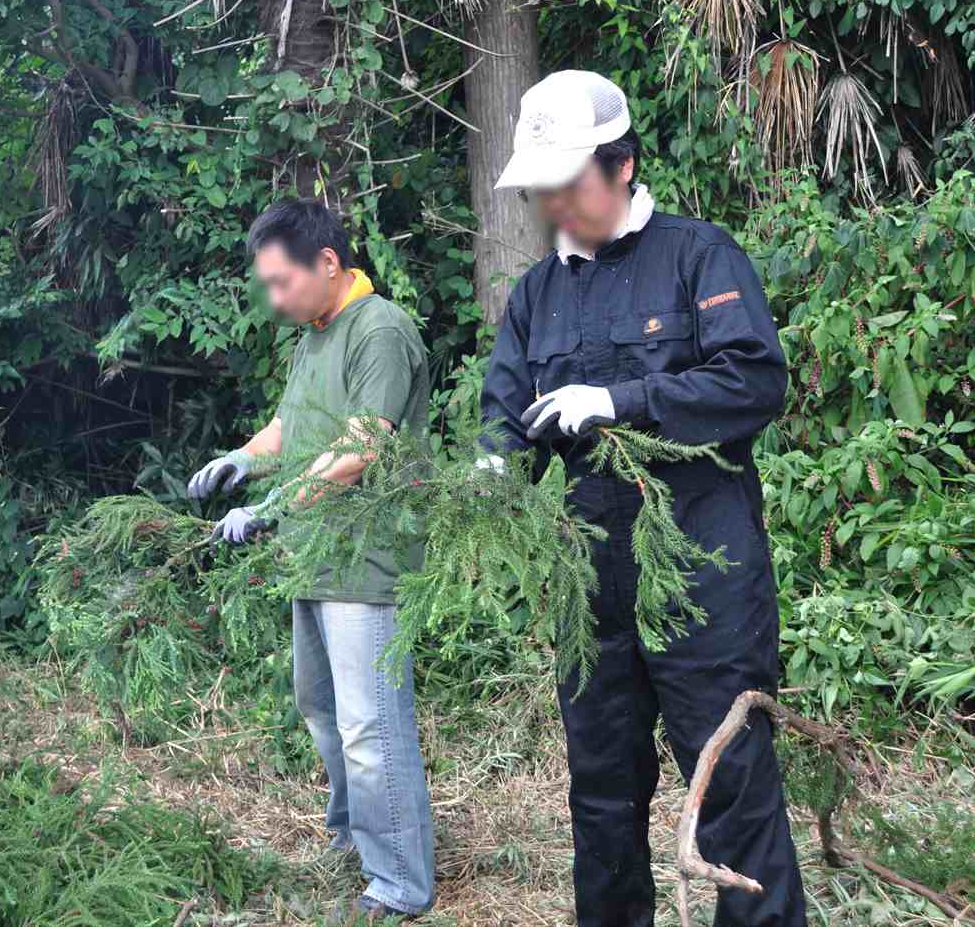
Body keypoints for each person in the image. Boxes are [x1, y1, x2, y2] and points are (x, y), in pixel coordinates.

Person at [479, 71, 807, 927]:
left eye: (568, 183)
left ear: (621, 165)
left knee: (731, 784)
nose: (554, 204)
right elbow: (506, 417)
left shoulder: (700, 256)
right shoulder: (537, 294)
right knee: (601, 792)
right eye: (542, 189)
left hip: (705, 571)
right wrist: (494, 471)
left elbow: (755, 380)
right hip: (592, 582)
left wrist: (622, 401)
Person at [186, 199, 436, 922]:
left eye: (280, 281)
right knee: (323, 711)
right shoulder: (315, 333)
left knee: (370, 726)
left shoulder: (379, 330)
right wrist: (243, 458)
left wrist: (269, 506)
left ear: (327, 263)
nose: (273, 299)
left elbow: (362, 446)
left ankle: (399, 883)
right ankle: (355, 840)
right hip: (315, 556)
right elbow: (291, 423)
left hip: (367, 559)